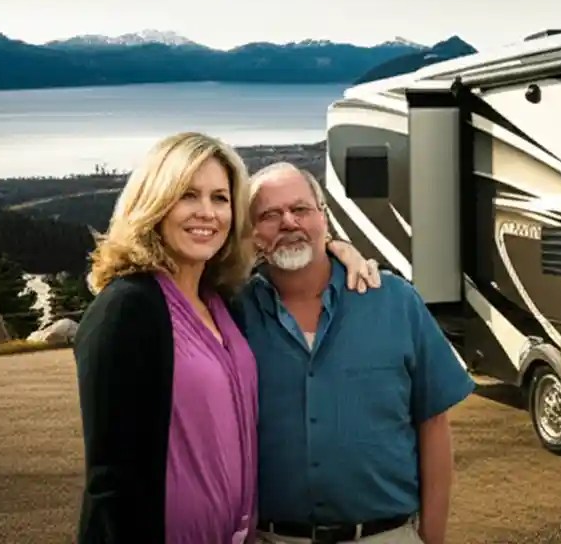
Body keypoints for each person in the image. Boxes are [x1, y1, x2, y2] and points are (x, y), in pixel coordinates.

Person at [72, 132, 382, 544]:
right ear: (154, 203)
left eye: (220, 198)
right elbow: (112, 480)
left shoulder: (221, 302)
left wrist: (338, 250)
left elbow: (292, 253)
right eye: (188, 195)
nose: (207, 213)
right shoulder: (128, 309)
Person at [235, 162, 476, 544]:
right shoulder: (233, 315)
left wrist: (431, 537)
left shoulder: (395, 301)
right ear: (251, 234)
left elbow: (432, 425)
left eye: (300, 209)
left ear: (323, 217)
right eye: (269, 215)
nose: (288, 222)